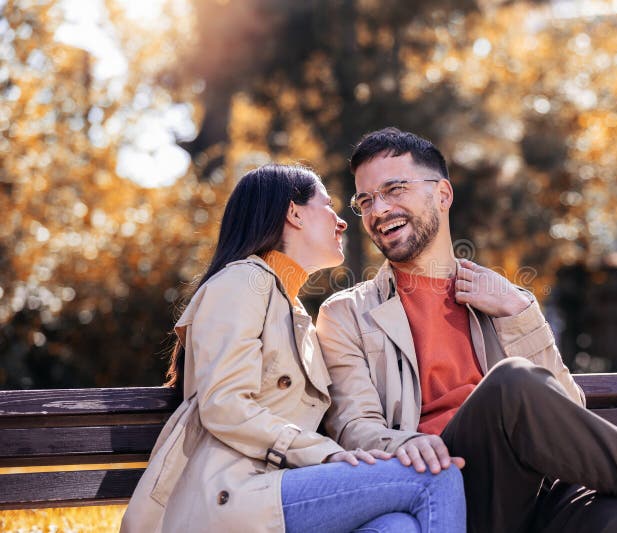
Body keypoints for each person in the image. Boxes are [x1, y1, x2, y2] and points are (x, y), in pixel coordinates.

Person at [315, 128, 617, 533]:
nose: (379, 209)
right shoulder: (348, 314)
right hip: (451, 490)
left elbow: (565, 408)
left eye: (395, 189)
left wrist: (517, 310)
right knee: (512, 381)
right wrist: (414, 444)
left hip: (541, 495)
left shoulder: (502, 298)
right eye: (366, 200)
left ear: (443, 194)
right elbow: (356, 428)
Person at [120, 164, 466, 533]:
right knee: (434, 475)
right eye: (328, 205)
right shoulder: (242, 281)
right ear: (294, 213)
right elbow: (225, 404)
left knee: (397, 527)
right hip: (234, 496)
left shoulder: (292, 309)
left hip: (279, 490)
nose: (342, 221)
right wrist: (327, 454)